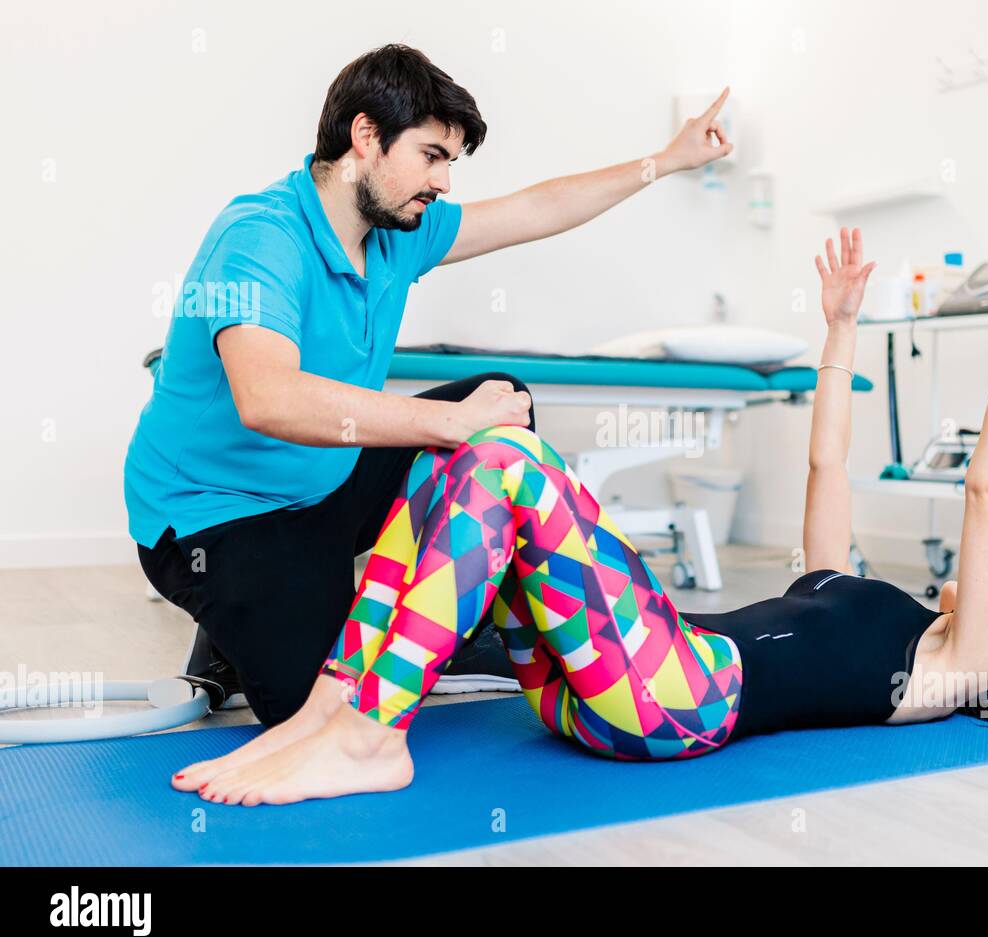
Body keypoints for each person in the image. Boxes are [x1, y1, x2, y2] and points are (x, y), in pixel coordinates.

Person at [171, 214, 988, 807]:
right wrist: (839, 331)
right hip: (603, 685)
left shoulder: (954, 673)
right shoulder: (883, 610)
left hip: (674, 698)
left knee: (508, 458)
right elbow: (826, 462)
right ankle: (337, 708)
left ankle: (370, 736)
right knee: (456, 450)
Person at [127, 44, 734, 726]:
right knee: (313, 710)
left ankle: (452, 618)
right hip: (216, 520)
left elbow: (537, 208)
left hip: (323, 488)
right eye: (432, 155)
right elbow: (268, 399)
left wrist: (668, 159)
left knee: (500, 399)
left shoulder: (397, 231)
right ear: (365, 137)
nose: (444, 181)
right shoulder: (260, 238)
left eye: (451, 161)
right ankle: (229, 628)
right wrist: (447, 423)